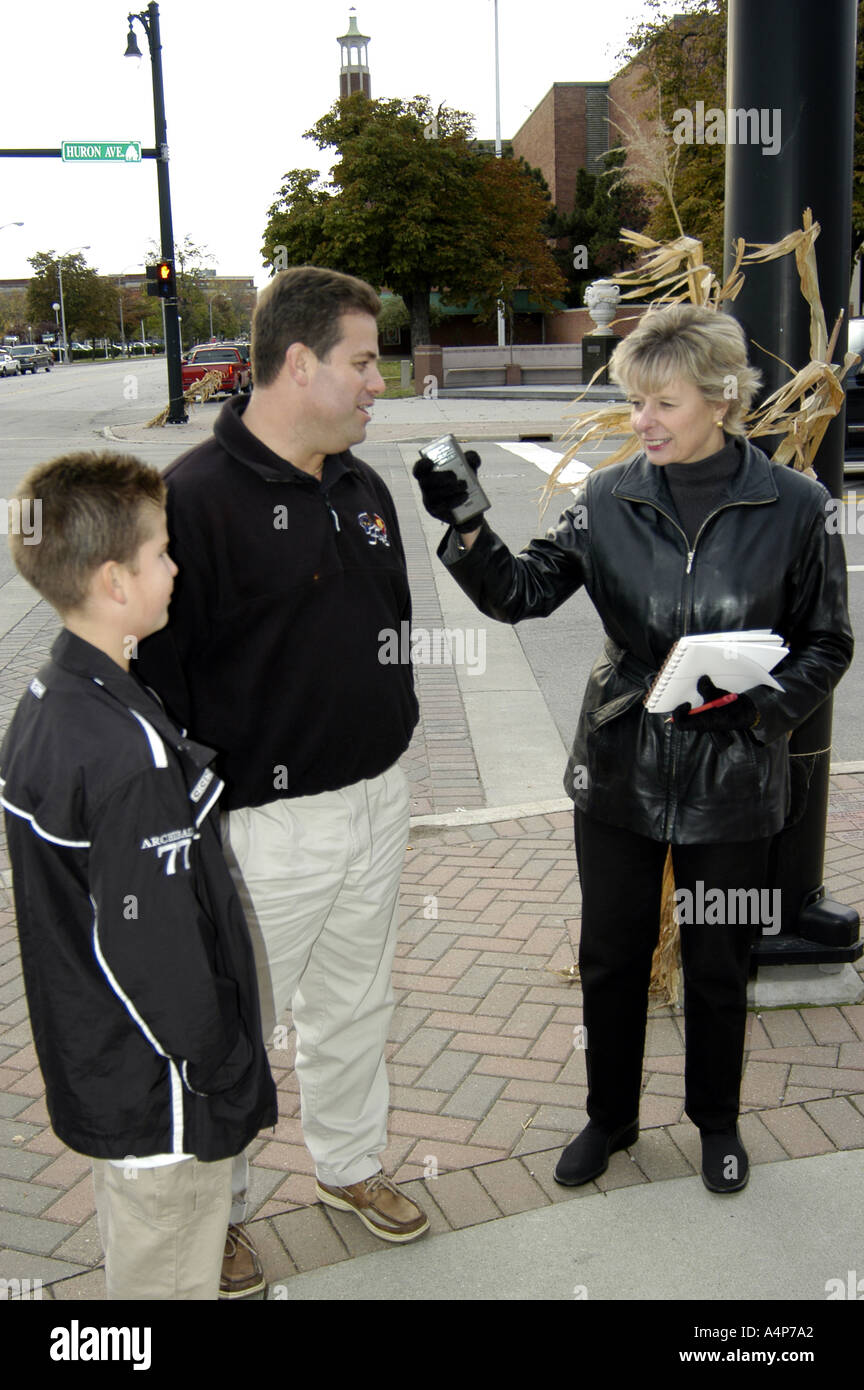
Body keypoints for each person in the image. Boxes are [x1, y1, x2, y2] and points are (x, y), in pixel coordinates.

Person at [413, 302, 853, 1195]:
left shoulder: (798, 507)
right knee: (611, 955)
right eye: (634, 402)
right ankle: (608, 1119)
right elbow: (524, 592)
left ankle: (717, 1122)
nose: (641, 421)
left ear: (722, 399)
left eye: (662, 403)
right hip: (621, 765)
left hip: (735, 777)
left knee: (719, 956)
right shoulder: (610, 496)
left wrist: (761, 708)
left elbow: (829, 644)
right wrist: (465, 525)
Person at [135, 266, 428, 1297]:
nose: (377, 383)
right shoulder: (189, 502)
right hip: (261, 831)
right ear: (297, 364)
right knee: (233, 1029)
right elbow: (153, 691)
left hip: (377, 804)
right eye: (361, 362)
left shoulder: (363, 483)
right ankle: (217, 1211)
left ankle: (349, 1167)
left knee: (357, 1003)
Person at [0, 451, 277, 1300]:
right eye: (161, 552)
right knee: (166, 1278)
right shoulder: (127, 751)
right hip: (159, 1089)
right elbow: (149, 945)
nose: (175, 567)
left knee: (141, 1254)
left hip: (103, 1062)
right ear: (115, 581)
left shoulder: (52, 701)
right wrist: (219, 1062)